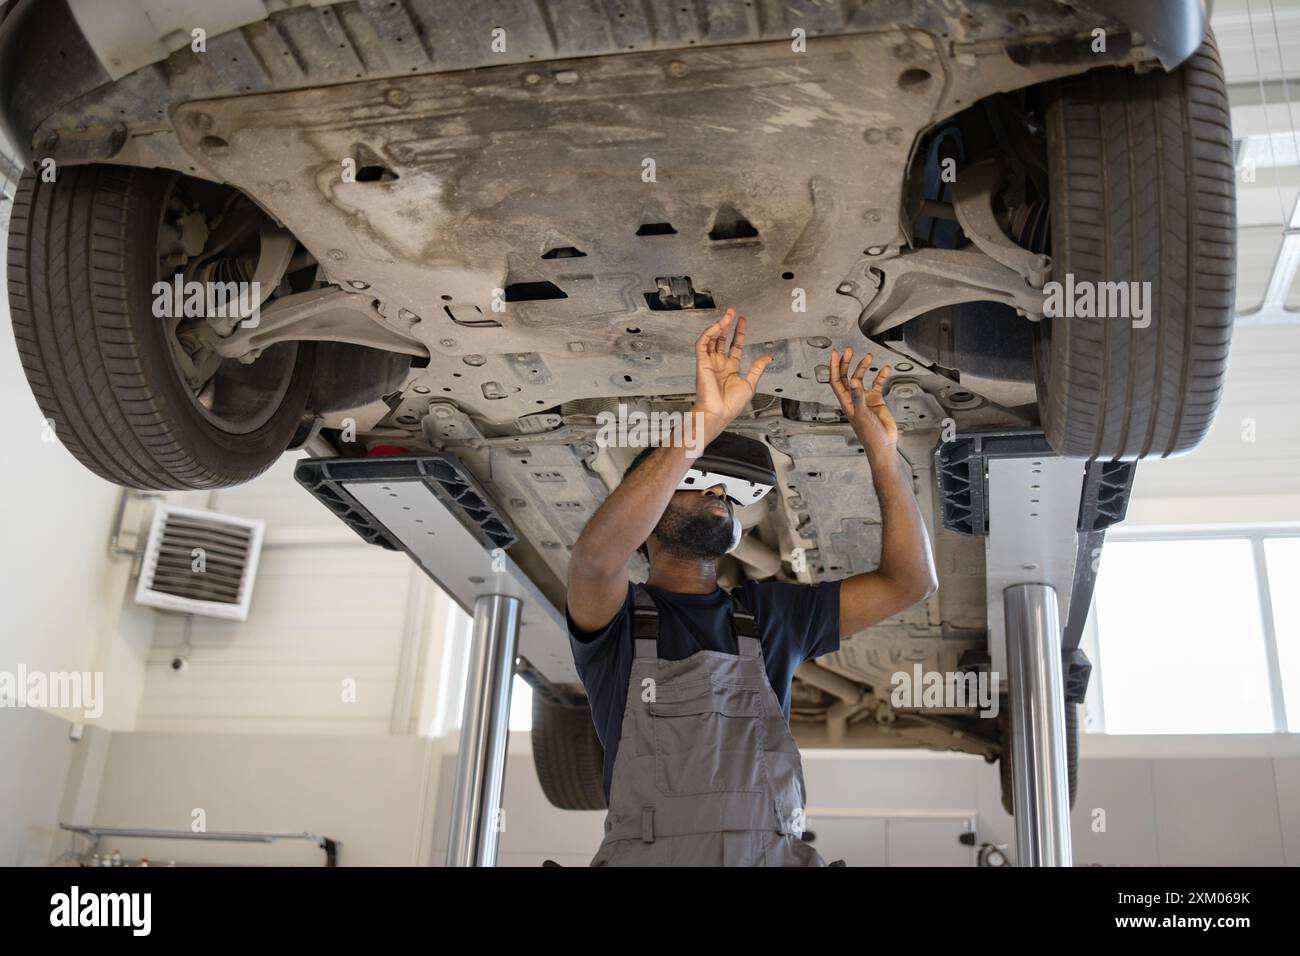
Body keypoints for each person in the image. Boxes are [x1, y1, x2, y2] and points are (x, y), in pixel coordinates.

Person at [566, 307, 938, 866]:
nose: (716, 490)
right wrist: (701, 425)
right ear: (644, 528)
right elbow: (595, 558)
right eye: (693, 484)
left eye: (722, 491)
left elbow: (909, 583)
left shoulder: (769, 617)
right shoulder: (617, 624)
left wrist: (884, 453)